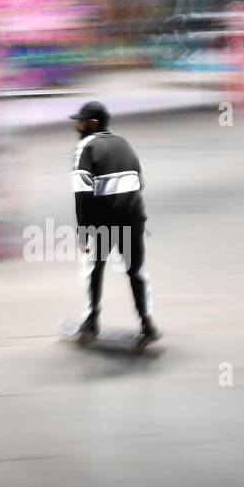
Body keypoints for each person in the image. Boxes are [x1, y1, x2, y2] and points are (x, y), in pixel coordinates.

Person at [69, 101, 160, 347]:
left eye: (80, 121)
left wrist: (83, 232)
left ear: (92, 123)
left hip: (104, 224)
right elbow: (139, 180)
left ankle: (91, 322)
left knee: (93, 268)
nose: (77, 125)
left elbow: (83, 194)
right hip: (133, 218)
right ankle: (147, 325)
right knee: (136, 272)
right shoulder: (123, 142)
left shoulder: (85, 147)